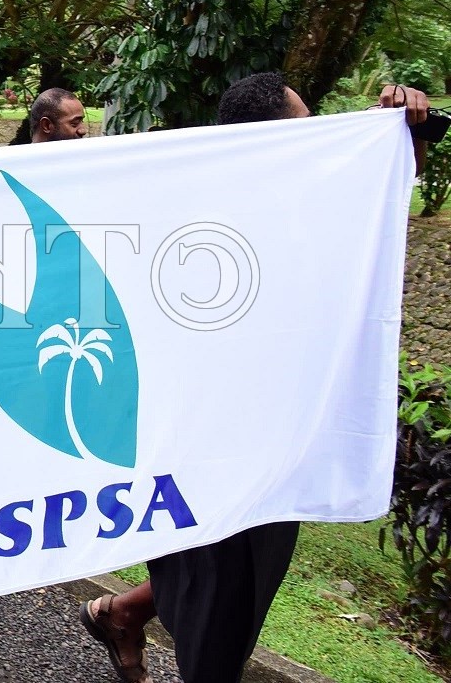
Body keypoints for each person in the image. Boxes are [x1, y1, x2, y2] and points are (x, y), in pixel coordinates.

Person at [78, 72, 432, 683]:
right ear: (269, 138)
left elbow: (379, 196)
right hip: (207, 441)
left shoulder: (309, 204)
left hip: (278, 439)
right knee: (218, 595)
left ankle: (121, 613)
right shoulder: (193, 207)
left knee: (238, 582)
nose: (317, 135)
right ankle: (132, 619)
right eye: (304, 123)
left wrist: (399, 133)